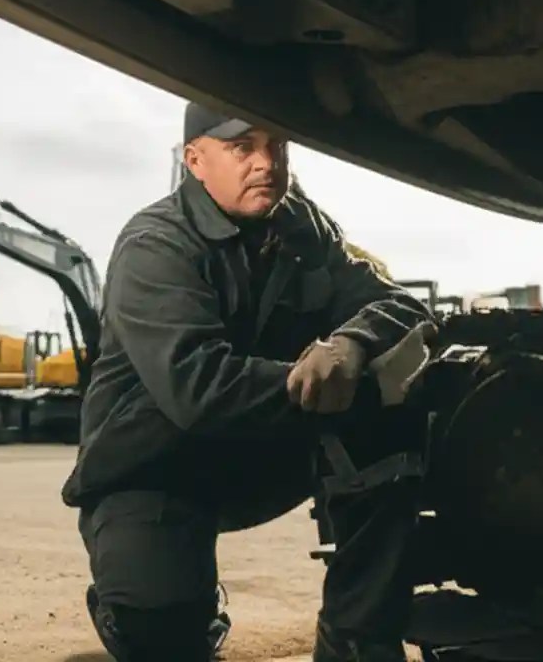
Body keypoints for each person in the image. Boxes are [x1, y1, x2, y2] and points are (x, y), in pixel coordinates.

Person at [60, 101, 438, 661]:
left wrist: (351, 344)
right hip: (154, 463)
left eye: (278, 145)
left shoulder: (303, 230)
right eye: (243, 147)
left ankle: (356, 640)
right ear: (195, 159)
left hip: (261, 449)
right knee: (160, 624)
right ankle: (171, 606)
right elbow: (198, 387)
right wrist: (311, 381)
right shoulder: (156, 244)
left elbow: (400, 304)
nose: (266, 163)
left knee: (395, 424)